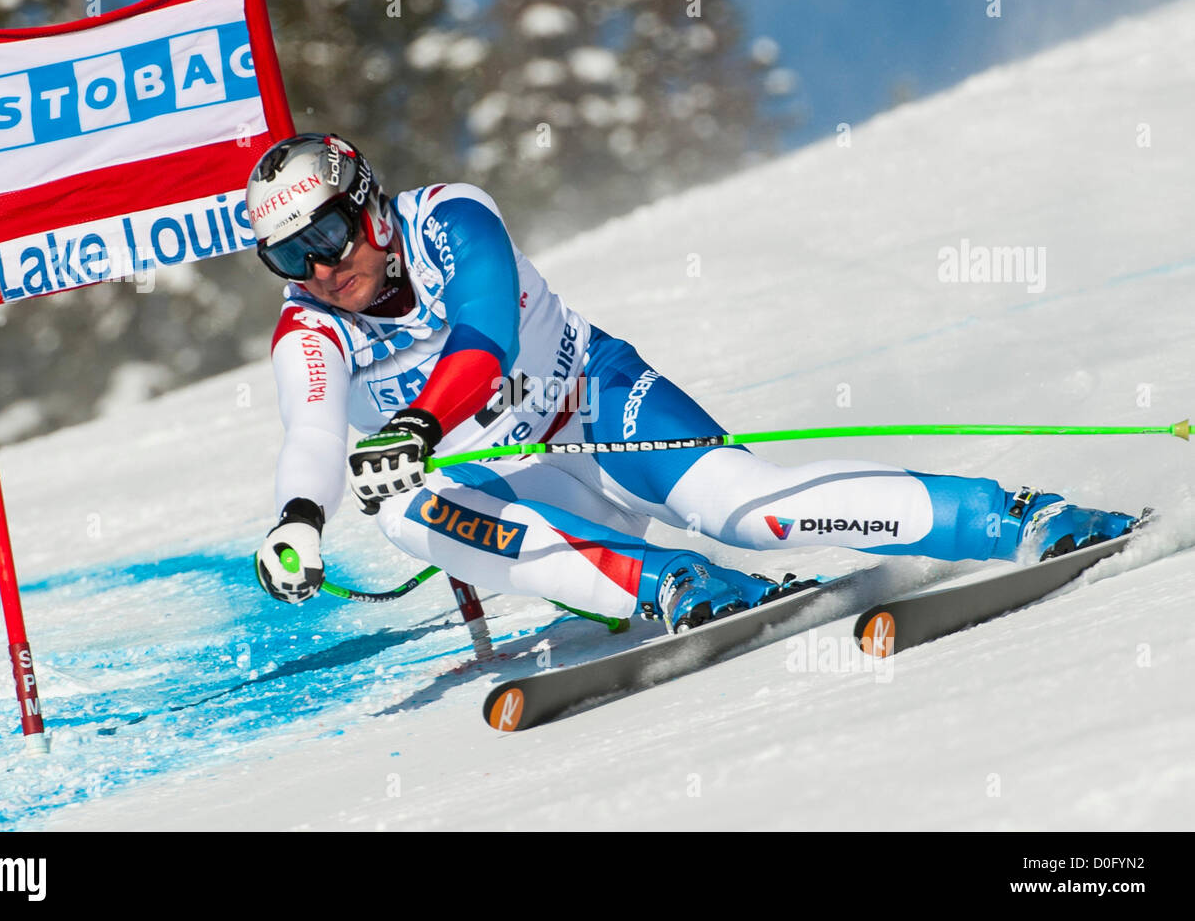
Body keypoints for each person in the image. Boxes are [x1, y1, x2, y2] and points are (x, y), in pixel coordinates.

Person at [248, 133, 1136, 632]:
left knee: (753, 513)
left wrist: (418, 426)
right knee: (404, 513)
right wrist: (298, 521)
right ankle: (669, 583)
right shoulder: (310, 327)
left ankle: (1014, 518)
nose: (319, 269)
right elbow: (315, 432)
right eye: (288, 256)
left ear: (368, 207)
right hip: (525, 487)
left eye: (324, 237)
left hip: (600, 404)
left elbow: (484, 332)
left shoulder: (450, 215)